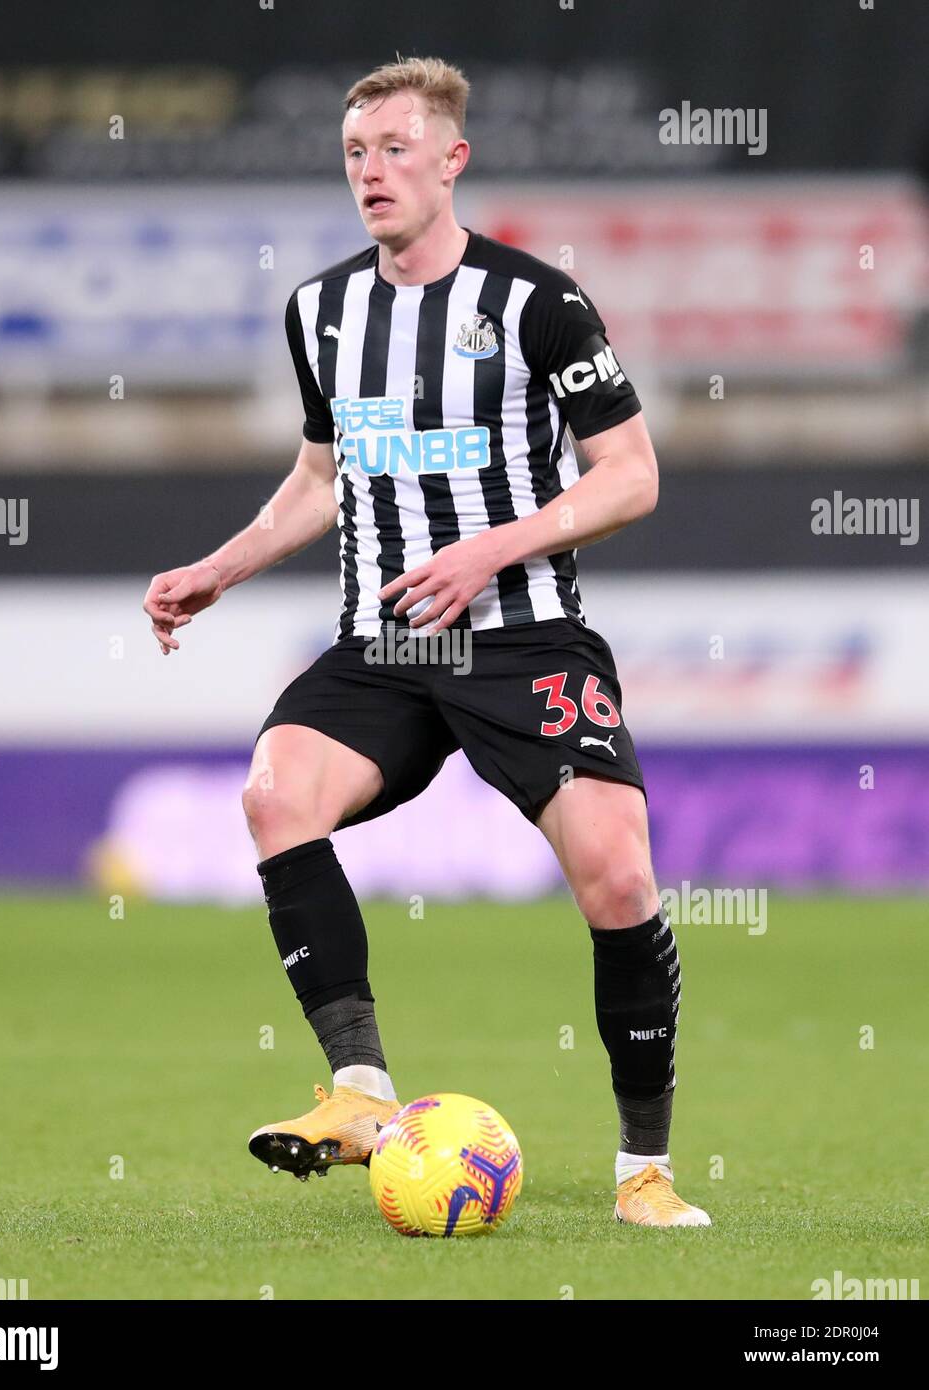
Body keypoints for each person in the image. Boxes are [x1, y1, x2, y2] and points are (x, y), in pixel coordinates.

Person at [143, 56, 709, 1228]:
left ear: (452, 161)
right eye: (355, 152)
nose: (371, 172)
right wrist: (219, 569)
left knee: (616, 875)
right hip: (384, 643)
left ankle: (640, 1172)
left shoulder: (539, 303)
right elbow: (318, 478)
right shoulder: (321, 309)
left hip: (522, 636)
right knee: (272, 794)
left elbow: (630, 476)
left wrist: (492, 549)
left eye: (395, 148)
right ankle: (357, 1092)